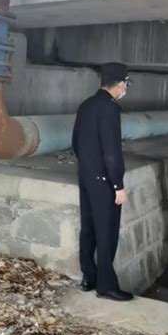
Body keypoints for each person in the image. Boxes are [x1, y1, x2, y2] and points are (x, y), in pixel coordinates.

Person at [71, 63, 133, 301]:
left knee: (88, 228)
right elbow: (111, 151)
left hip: (86, 177)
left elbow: (75, 142)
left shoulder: (86, 105)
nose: (125, 89)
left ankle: (89, 278)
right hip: (104, 181)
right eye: (126, 84)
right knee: (106, 232)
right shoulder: (110, 108)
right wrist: (118, 185)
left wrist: (88, 168)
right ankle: (106, 286)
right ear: (120, 84)